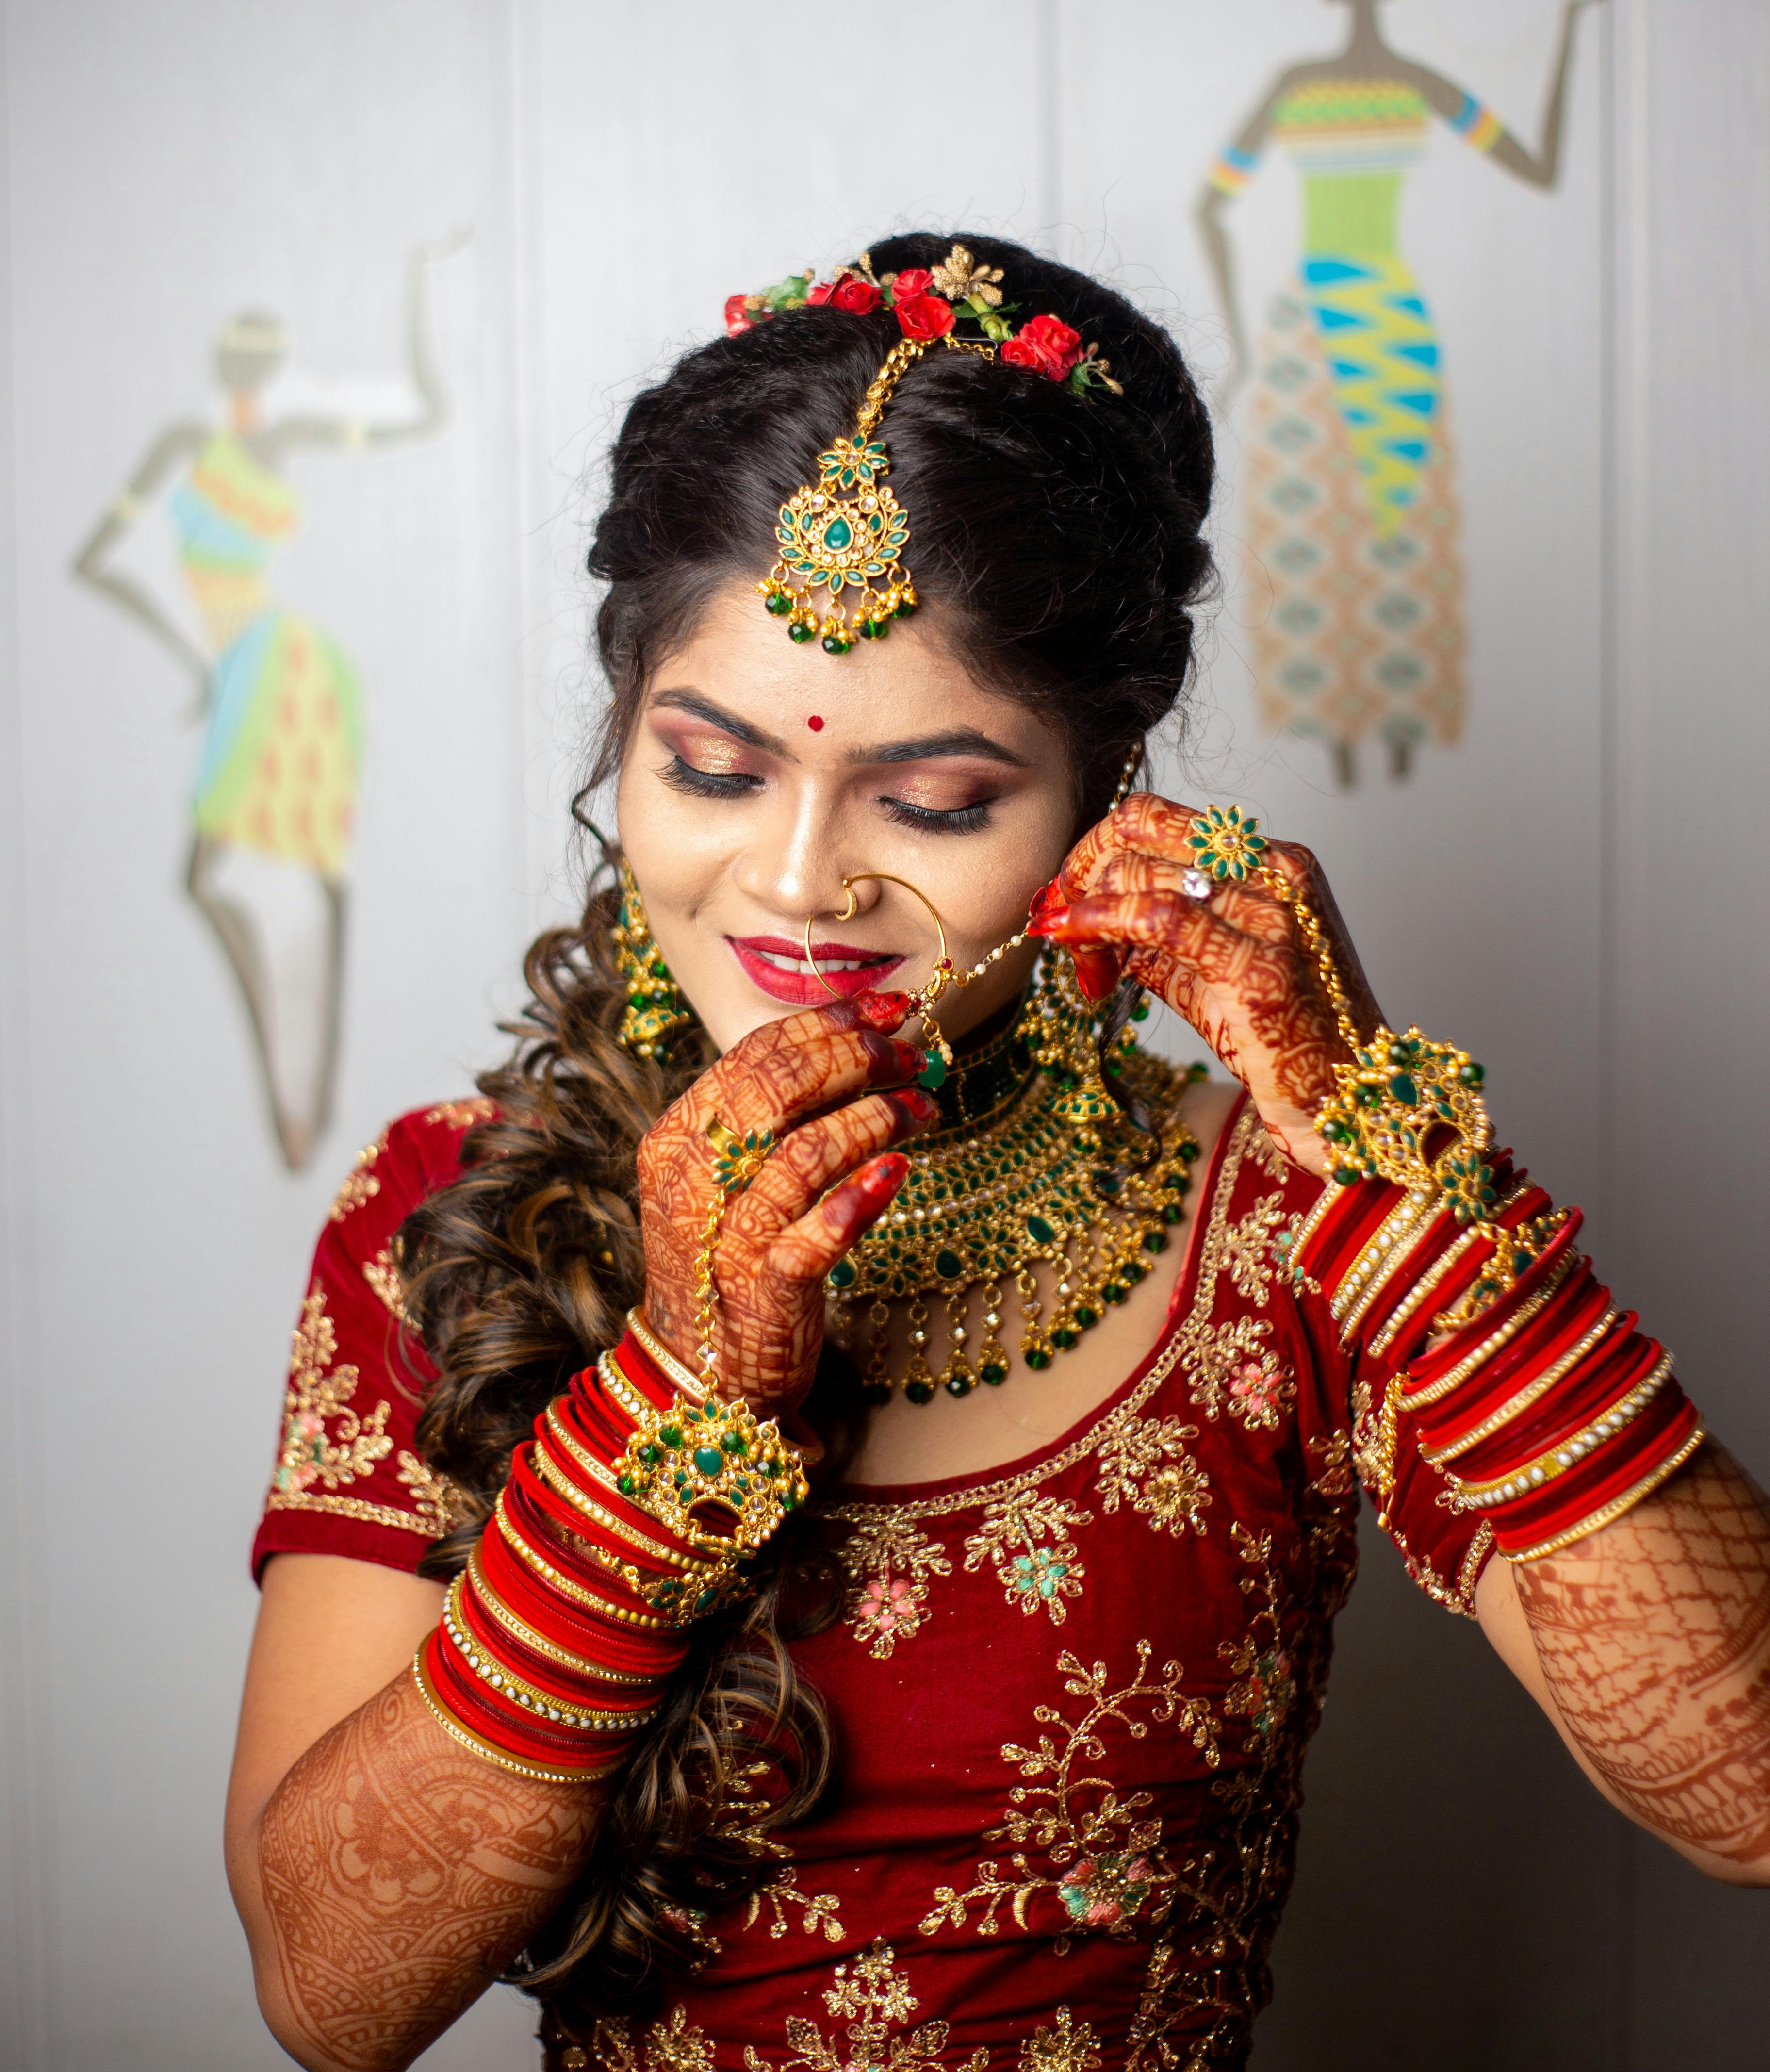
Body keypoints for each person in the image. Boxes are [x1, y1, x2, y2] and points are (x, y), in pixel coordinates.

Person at [226, 235, 1769, 2072]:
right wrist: (669, 1413)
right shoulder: (447, 1207)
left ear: (1101, 802)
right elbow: (330, 1998)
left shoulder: (1287, 1222)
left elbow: (1746, 1799)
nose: (800, 881)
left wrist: (1377, 1141)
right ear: (622, 735)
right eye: (712, 768)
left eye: (937, 801)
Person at [1194, 0, 1615, 786]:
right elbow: (1537, 161)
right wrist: (1567, 31)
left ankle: (1377, 747)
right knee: (1348, 523)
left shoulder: (1327, 86)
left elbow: (1212, 207)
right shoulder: (1387, 85)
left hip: (1341, 323)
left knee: (1365, 523)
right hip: (1361, 318)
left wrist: (1573, 28)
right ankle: (1364, 750)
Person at [72, 233, 463, 1167]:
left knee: (275, 871)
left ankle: (301, 1104)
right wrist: (189, 653)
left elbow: (420, 409)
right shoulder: (191, 446)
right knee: (217, 876)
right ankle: (299, 1100)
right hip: (246, 655)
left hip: (281, 665)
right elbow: (101, 560)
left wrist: (418, 283)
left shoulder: (276, 441)